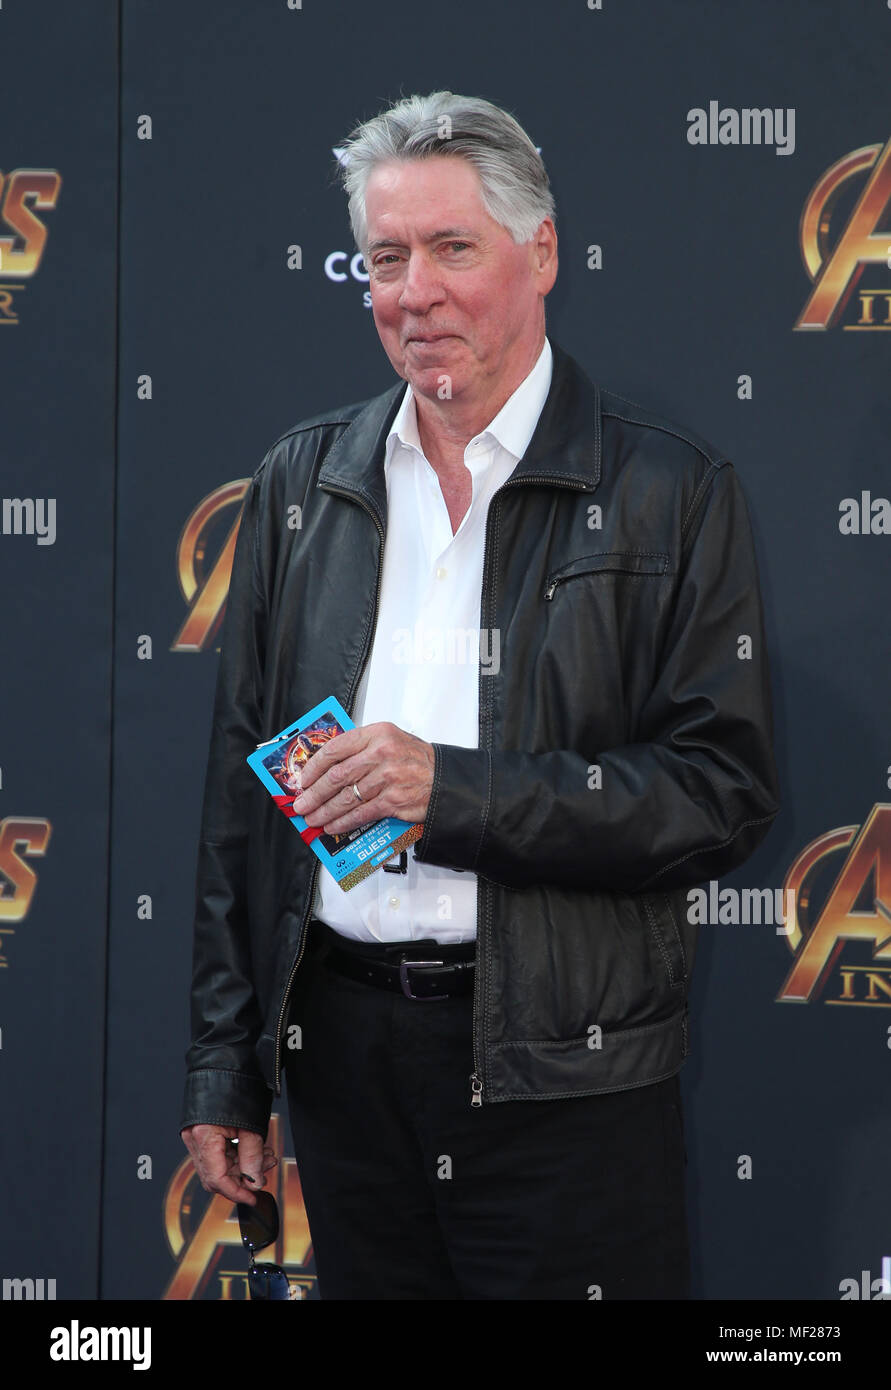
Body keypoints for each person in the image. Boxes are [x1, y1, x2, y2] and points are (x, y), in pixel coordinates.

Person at [180, 90, 780, 1300]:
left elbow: (721, 796)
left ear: (542, 251)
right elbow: (244, 798)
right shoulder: (305, 479)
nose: (416, 293)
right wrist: (225, 1069)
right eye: (387, 257)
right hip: (345, 1067)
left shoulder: (670, 490)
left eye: (454, 248)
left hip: (568, 1081)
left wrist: (450, 792)